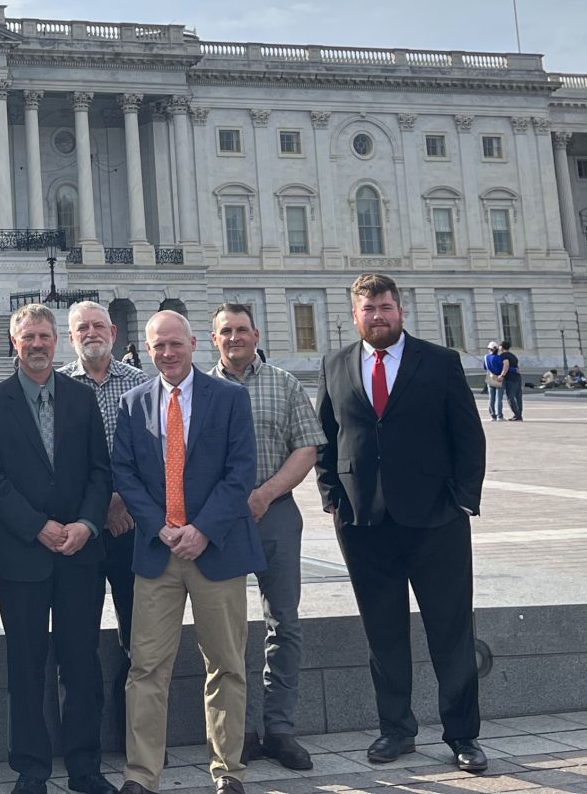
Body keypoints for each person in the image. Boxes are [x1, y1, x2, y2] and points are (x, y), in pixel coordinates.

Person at [316, 274, 488, 774]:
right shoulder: (336, 364)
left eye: (386, 307)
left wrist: (461, 502)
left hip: (436, 522)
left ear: (401, 311)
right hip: (364, 524)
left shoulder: (439, 362)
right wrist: (333, 501)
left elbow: (468, 437)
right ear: (355, 315)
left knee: (450, 632)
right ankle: (396, 729)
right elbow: (326, 440)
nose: (378, 316)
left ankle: (462, 735)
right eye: (368, 309)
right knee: (383, 633)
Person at [0, 305, 115, 794]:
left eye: (44, 336)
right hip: (21, 556)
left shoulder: (81, 398)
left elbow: (99, 469)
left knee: (81, 662)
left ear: (57, 342)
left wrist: (88, 525)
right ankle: (30, 769)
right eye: (27, 336)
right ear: (14, 342)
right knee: (25, 666)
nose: (36, 344)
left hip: (79, 553)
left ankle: (84, 767)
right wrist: (39, 528)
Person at [112, 311, 264, 794]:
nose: (167, 354)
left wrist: (201, 529)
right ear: (147, 349)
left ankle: (228, 771)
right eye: (158, 346)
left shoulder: (230, 398)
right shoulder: (133, 402)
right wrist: (160, 527)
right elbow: (125, 474)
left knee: (226, 665)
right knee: (145, 667)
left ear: (194, 343)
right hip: (158, 555)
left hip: (216, 550)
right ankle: (141, 775)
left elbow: (241, 472)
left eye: (175, 344)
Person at [210, 304, 324, 773]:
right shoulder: (201, 389)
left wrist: (266, 493)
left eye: (241, 329)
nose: (234, 337)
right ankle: (240, 729)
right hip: (221, 521)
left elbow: (307, 447)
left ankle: (279, 727)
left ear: (256, 334)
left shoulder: (285, 383)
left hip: (275, 514)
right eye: (225, 331)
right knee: (228, 631)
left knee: (284, 623)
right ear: (212, 338)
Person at [58, 300, 149, 734]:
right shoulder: (57, 387)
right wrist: (97, 510)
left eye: (98, 326)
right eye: (82, 328)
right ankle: (84, 735)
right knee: (79, 638)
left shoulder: (140, 383)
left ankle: (135, 731)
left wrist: (123, 501)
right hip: (82, 530)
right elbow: (55, 464)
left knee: (139, 636)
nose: (90, 333)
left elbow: (155, 455)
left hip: (132, 526)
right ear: (70, 336)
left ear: (113, 332)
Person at [483, 342, 506, 422]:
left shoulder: (486, 357)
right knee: (499, 399)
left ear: (490, 349)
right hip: (499, 378)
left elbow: (485, 368)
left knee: (491, 398)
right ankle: (500, 416)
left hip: (490, 378)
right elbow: (502, 367)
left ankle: (493, 416)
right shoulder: (500, 358)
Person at [501, 348, 525, 420]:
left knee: (510, 397)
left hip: (510, 378)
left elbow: (506, 365)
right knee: (518, 397)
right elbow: (516, 367)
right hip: (518, 378)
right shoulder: (513, 355)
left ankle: (517, 415)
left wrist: (502, 375)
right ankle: (519, 414)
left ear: (502, 347)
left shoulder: (504, 355)